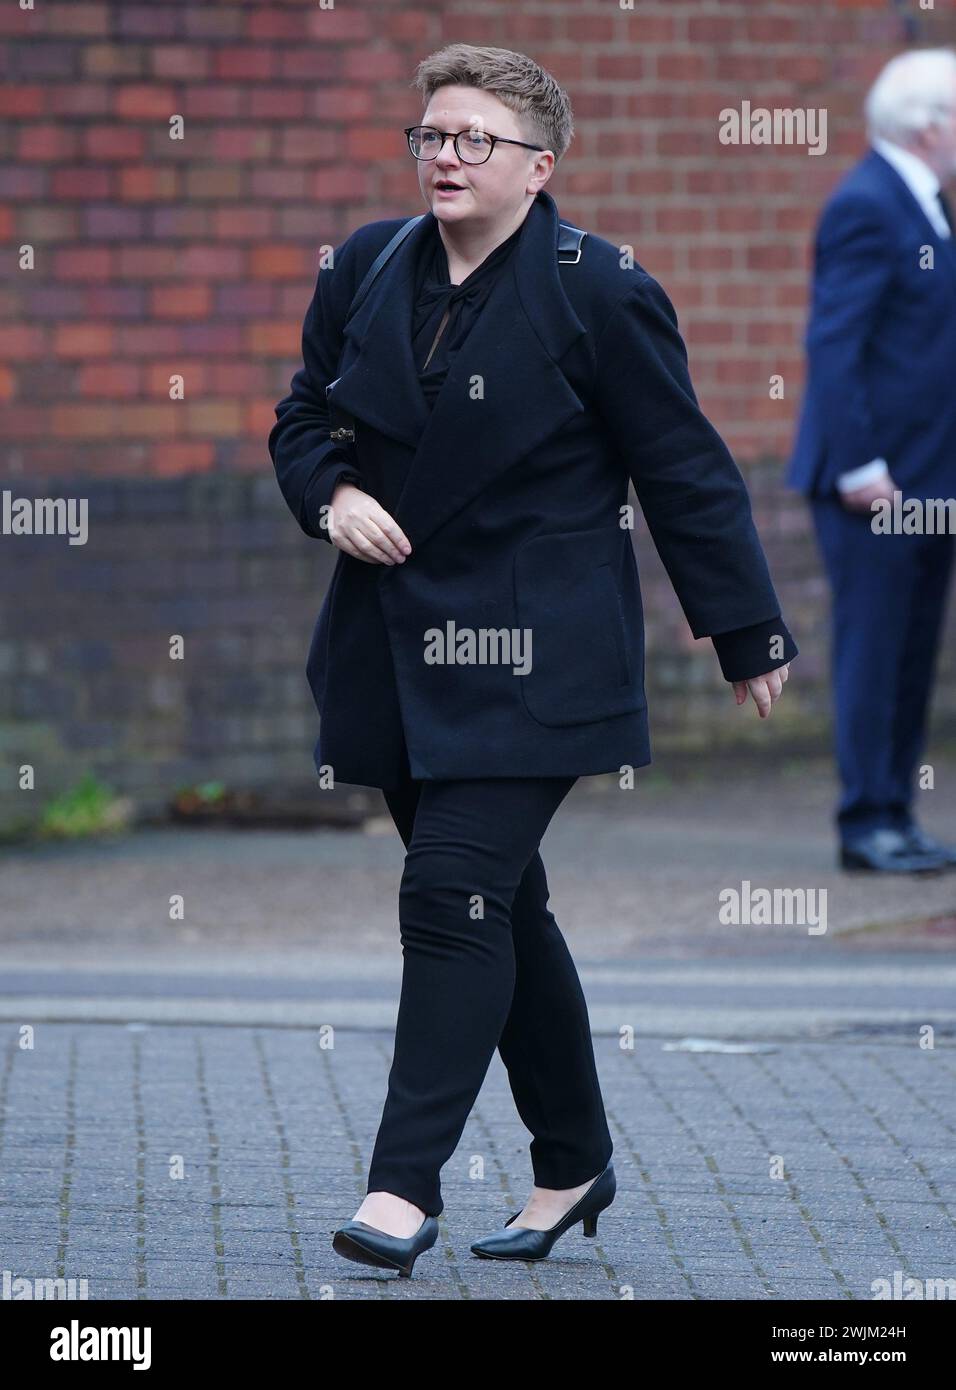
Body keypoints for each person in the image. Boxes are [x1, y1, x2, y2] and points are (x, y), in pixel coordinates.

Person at [269, 43, 796, 1278]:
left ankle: (400, 1189)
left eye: (473, 141)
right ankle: (572, 1158)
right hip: (393, 645)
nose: (443, 157)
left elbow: (679, 461)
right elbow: (303, 415)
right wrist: (330, 493)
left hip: (536, 658)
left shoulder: (598, 287)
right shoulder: (360, 265)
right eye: (430, 137)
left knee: (446, 893)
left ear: (537, 166)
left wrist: (743, 626)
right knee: (504, 903)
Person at [787, 47, 956, 875]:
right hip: (876, 485)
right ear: (930, 125)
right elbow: (835, 343)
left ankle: (896, 812)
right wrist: (860, 469)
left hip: (927, 480)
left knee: (911, 653)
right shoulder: (869, 204)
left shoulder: (924, 204)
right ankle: (866, 821)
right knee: (874, 648)